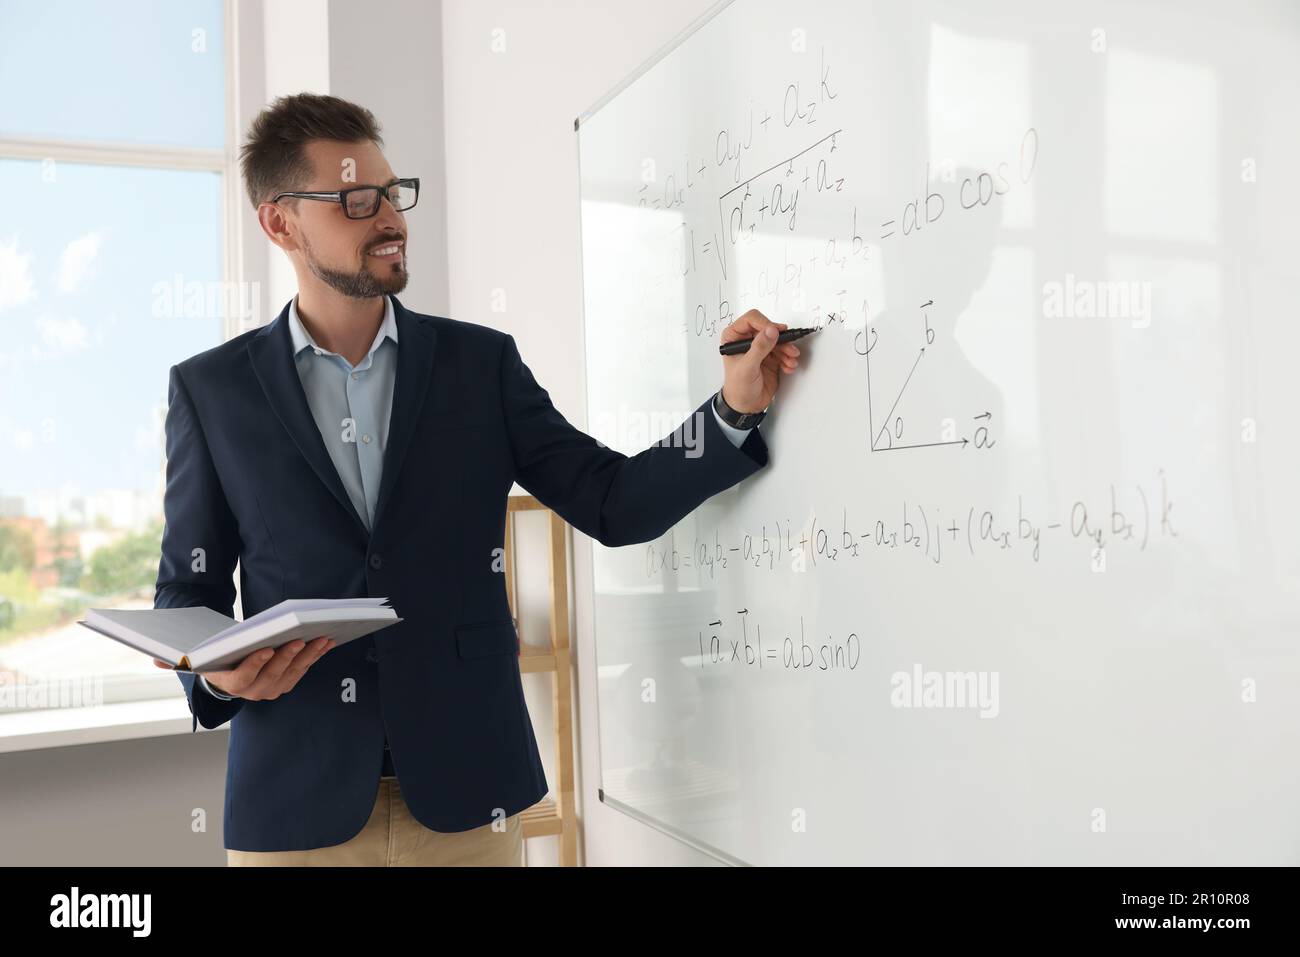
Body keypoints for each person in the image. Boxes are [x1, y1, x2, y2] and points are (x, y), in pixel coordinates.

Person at [152, 92, 802, 866]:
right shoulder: (212, 389)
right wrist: (220, 678)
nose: (390, 217)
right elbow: (187, 594)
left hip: (471, 798)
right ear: (280, 222)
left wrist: (730, 410)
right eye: (358, 199)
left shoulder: (479, 365)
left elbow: (613, 499)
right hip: (294, 805)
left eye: (394, 194)